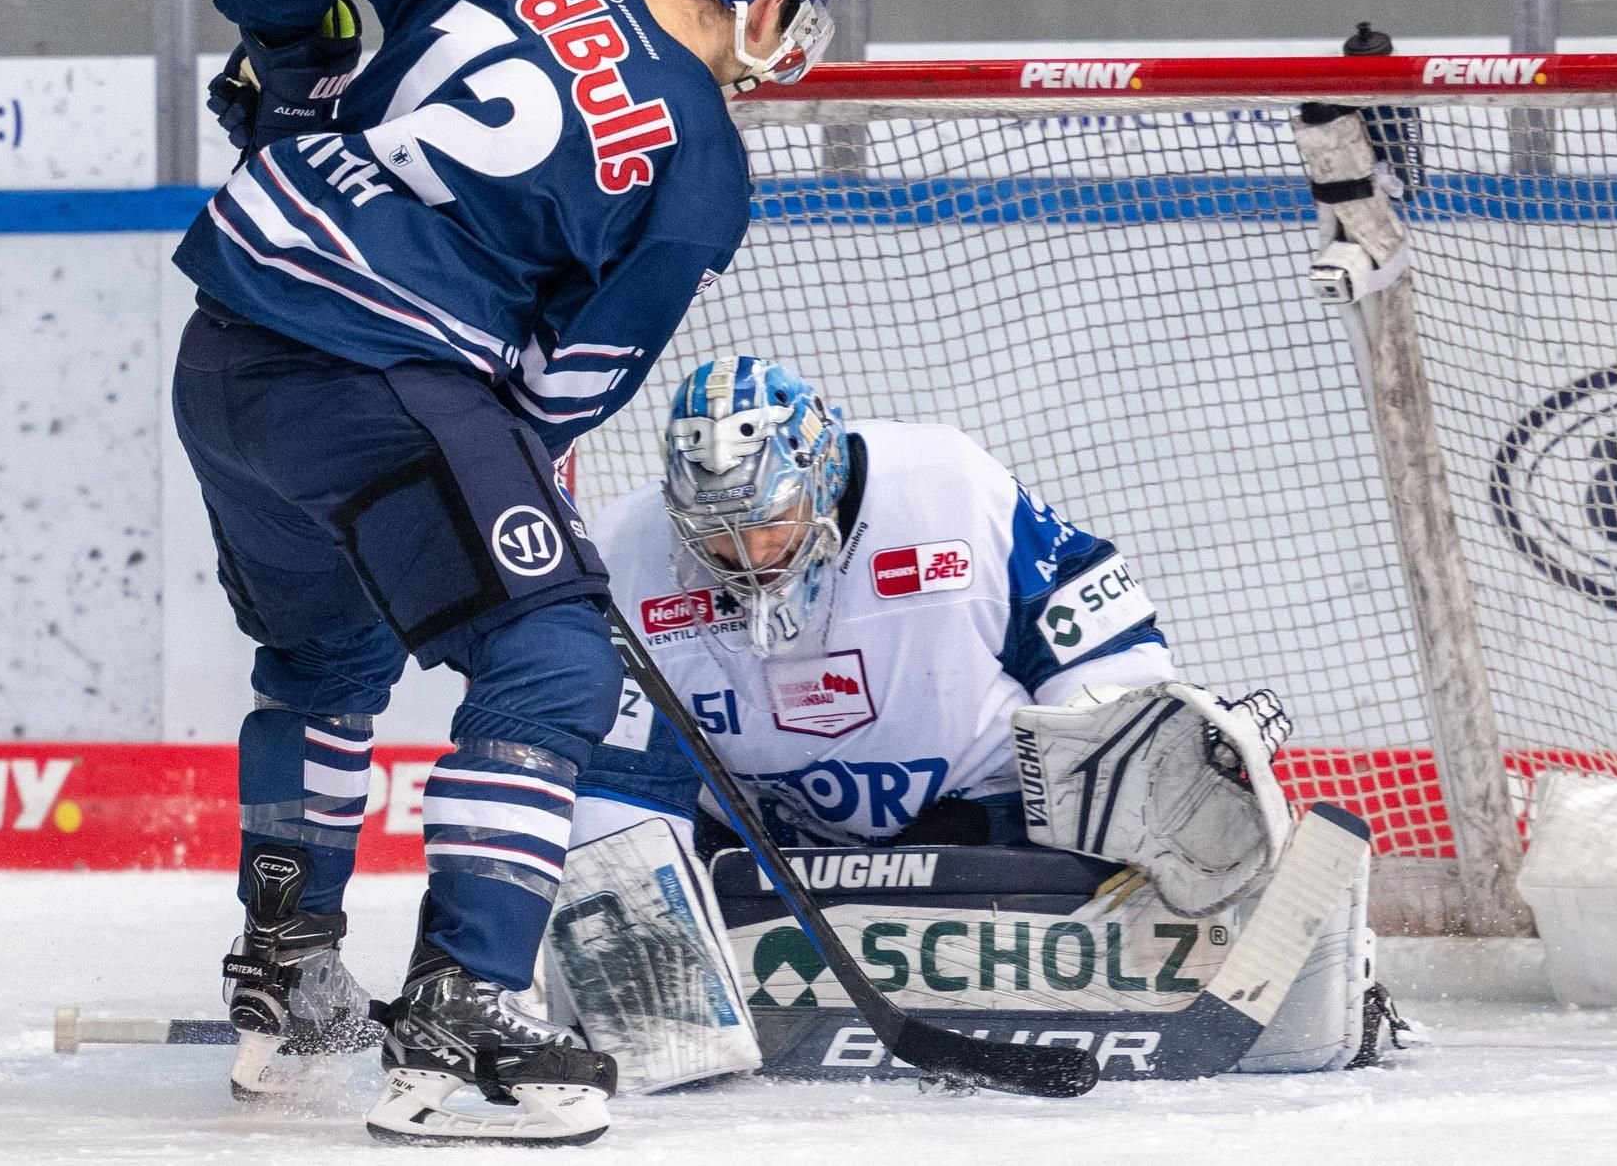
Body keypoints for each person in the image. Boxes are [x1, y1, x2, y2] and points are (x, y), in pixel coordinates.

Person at [169, 0, 840, 1144]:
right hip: (372, 371)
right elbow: (554, 395)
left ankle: (287, 989)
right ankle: (460, 1013)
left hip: (225, 351)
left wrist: (297, 62)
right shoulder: (700, 161)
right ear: (765, 4)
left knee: (323, 660)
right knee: (549, 655)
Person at [540, 356, 1378, 1092]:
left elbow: (1095, 631)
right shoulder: (628, 548)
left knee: (1143, 752)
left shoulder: (945, 487)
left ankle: (1256, 950)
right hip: (772, 842)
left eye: (768, 525)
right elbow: (624, 779)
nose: (751, 557)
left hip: (988, 819)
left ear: (822, 474)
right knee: (597, 830)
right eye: (718, 541)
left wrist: (1144, 762)